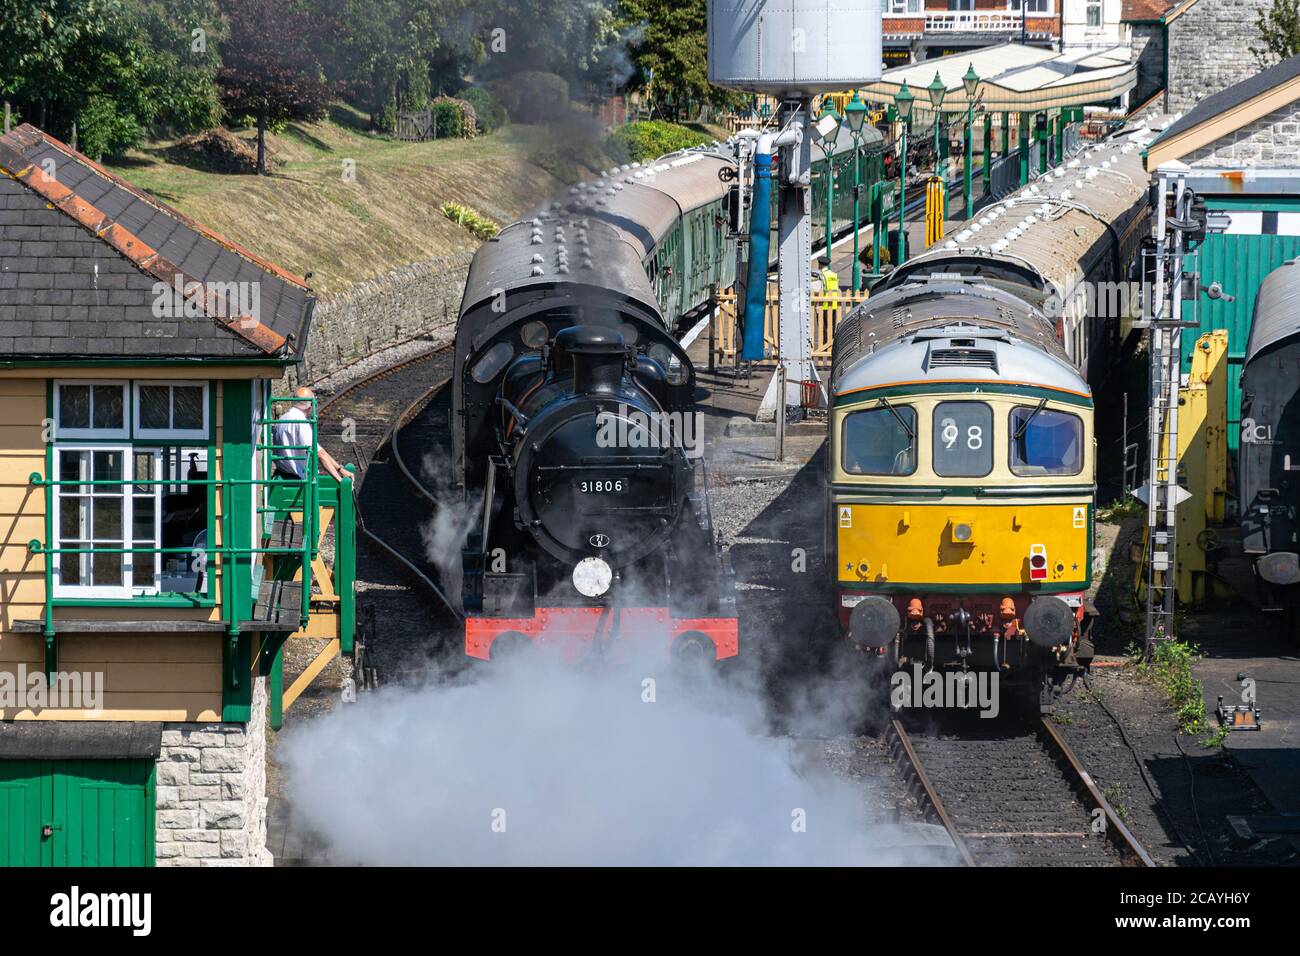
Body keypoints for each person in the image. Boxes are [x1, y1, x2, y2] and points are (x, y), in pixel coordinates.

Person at [273, 386, 346, 481]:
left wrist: (339, 469)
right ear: (310, 405)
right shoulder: (301, 422)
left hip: (281, 473)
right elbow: (319, 454)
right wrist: (340, 480)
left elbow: (320, 450)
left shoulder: (283, 418)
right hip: (298, 477)